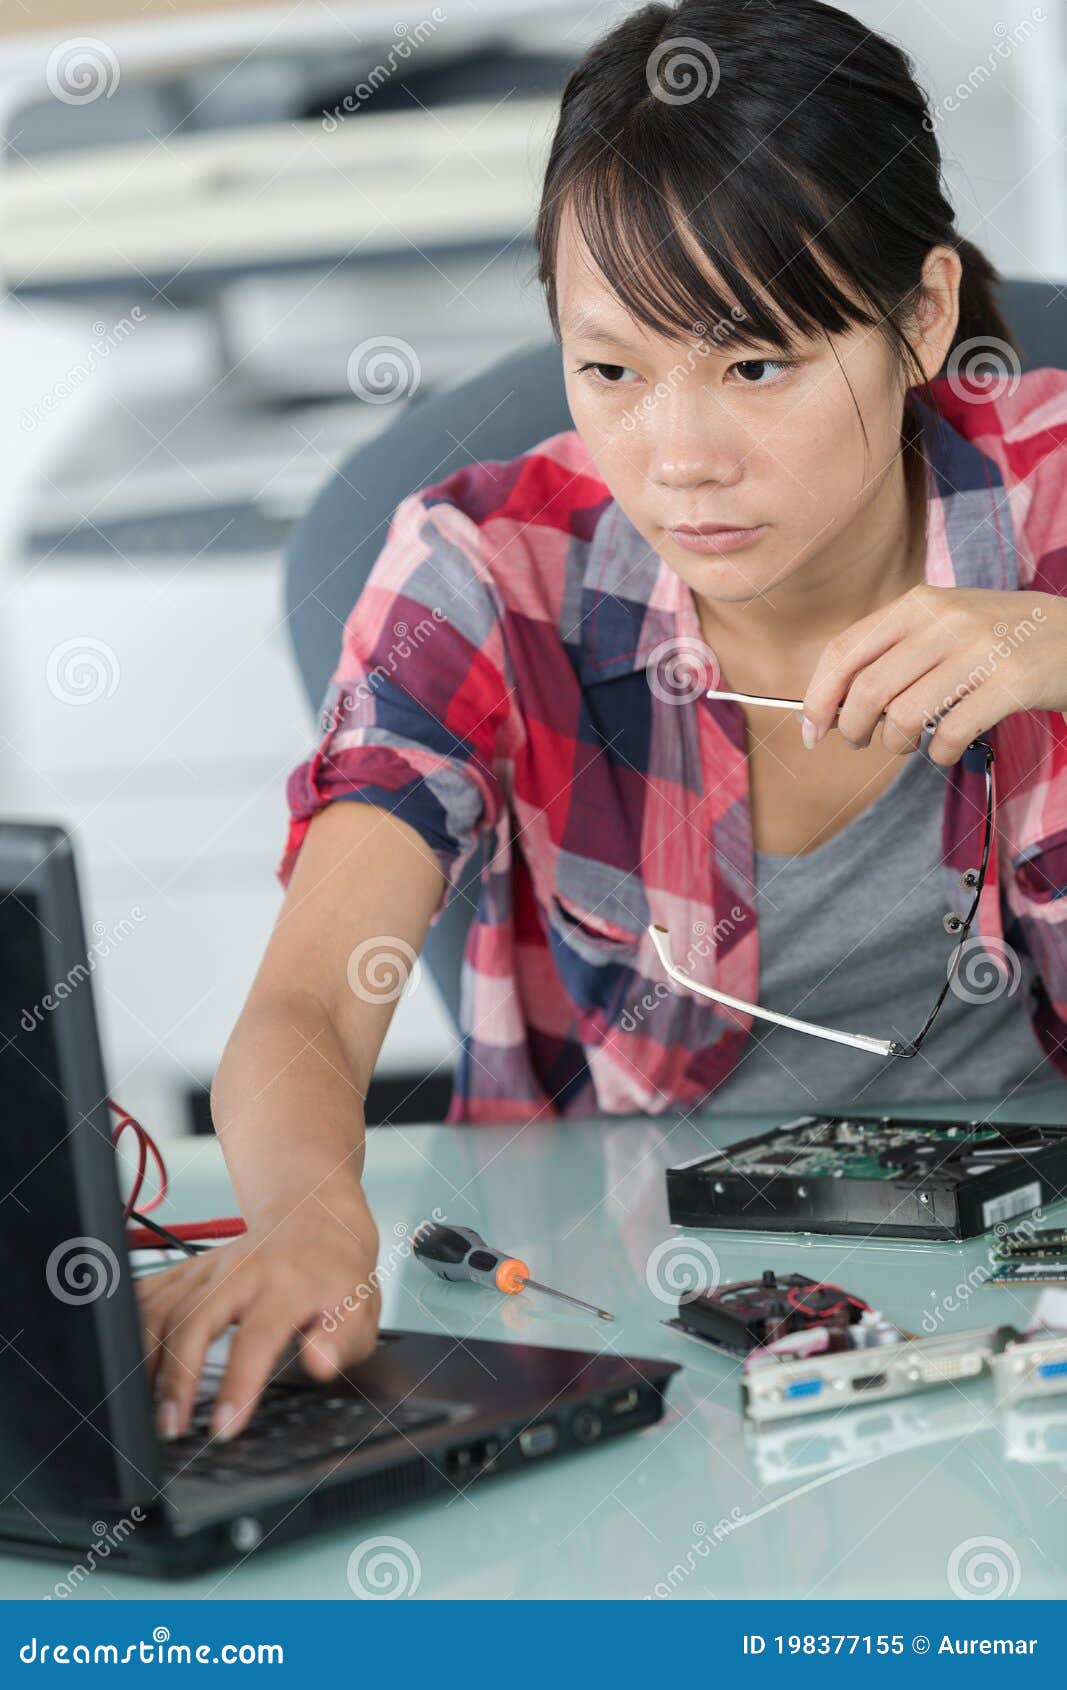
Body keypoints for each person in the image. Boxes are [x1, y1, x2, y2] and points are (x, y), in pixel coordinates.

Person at [138, 0, 1067, 1442]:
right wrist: (312, 1217)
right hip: (643, 1318)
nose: (680, 459)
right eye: (614, 371)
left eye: (756, 366)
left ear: (923, 318)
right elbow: (311, 998)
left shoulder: (1050, 493)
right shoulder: (488, 573)